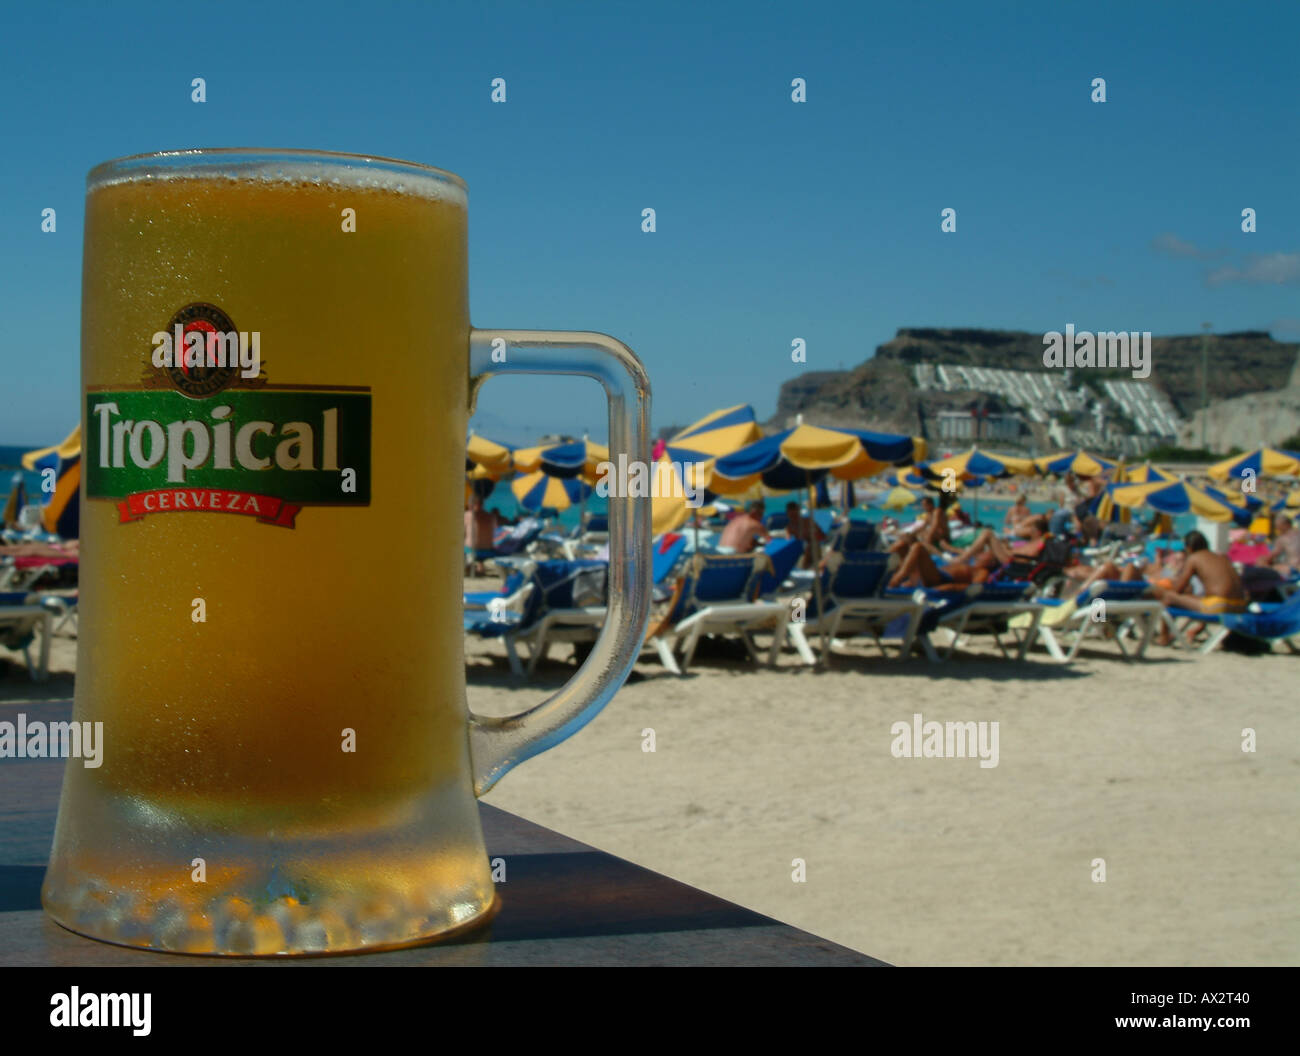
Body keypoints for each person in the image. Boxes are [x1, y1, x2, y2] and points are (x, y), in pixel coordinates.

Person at [1152, 530, 1247, 645]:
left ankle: (1164, 638)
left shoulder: (1194, 558)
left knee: (1169, 597)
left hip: (1219, 606)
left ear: (1189, 548)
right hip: (1241, 606)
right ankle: (1177, 633)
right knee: (1194, 598)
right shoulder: (1221, 557)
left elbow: (1178, 589)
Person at [463, 494, 499, 575]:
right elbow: (495, 532)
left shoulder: (467, 516)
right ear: (482, 504)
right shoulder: (491, 516)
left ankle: (473, 565)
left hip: (472, 550)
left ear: (470, 505)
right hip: (489, 550)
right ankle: (480, 565)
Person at [784, 501, 826, 566]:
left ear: (798, 511)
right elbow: (788, 540)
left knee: (811, 545)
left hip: (813, 547)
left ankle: (804, 567)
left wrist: (810, 535)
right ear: (788, 514)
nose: (793, 516)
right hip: (800, 550)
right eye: (791, 514)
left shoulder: (808, 521)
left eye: (794, 513)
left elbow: (822, 536)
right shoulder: (789, 527)